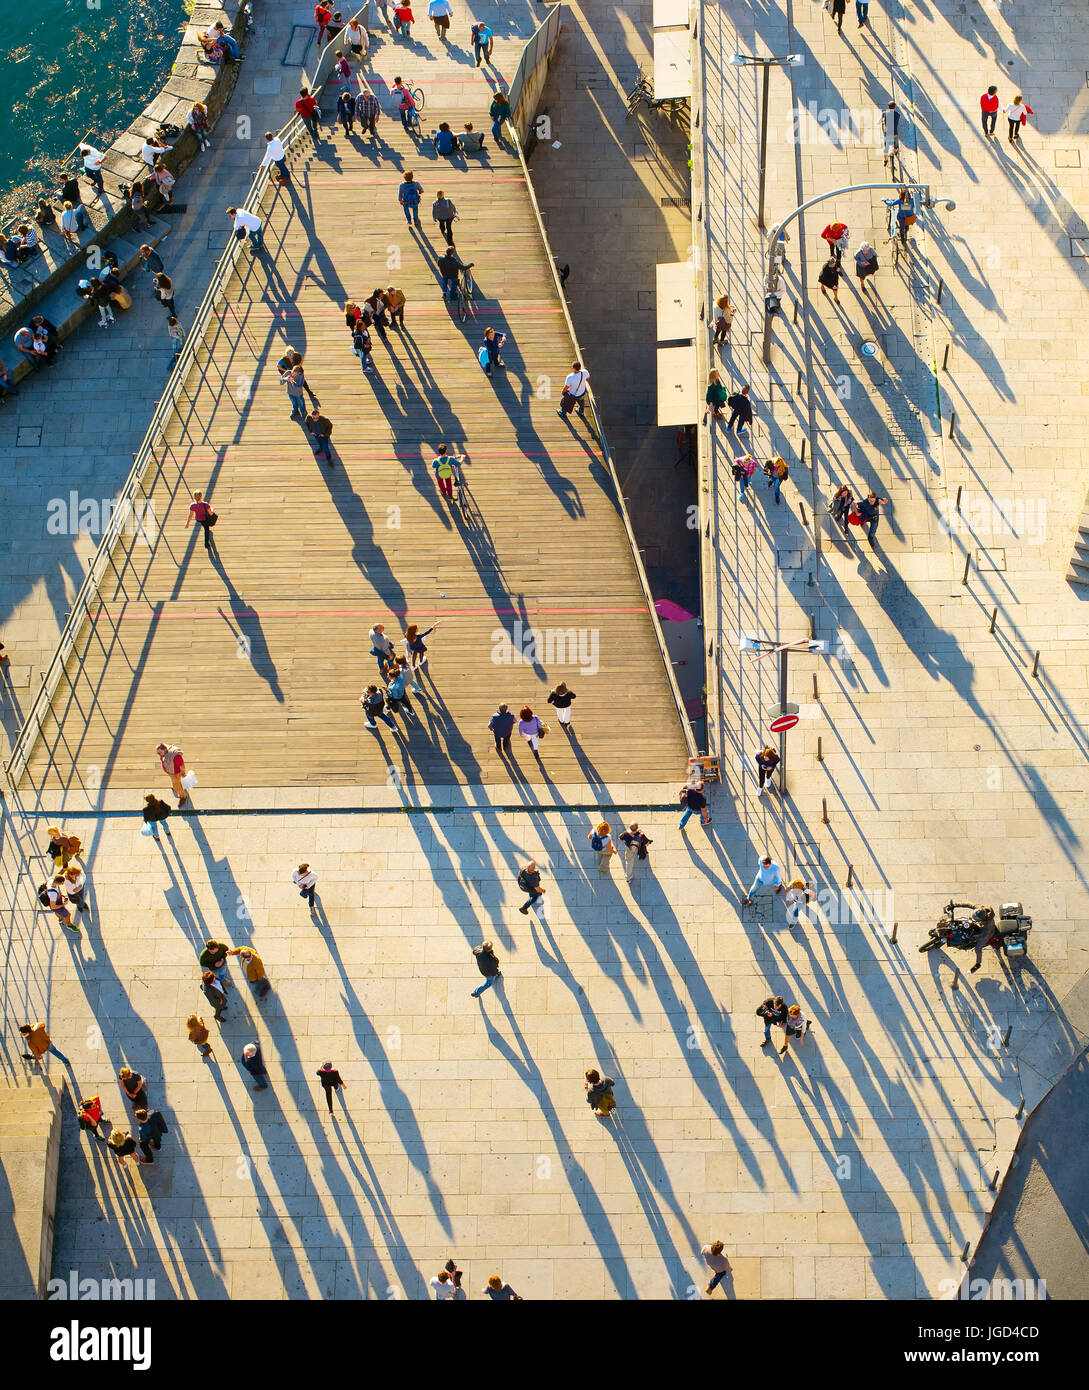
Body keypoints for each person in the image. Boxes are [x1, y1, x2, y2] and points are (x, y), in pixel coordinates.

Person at [882, 101, 900, 168]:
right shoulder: (897, 114)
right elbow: (899, 117)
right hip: (894, 134)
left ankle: (885, 160)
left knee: (886, 148)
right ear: (895, 107)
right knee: (896, 146)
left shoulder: (885, 113)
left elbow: (881, 119)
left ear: (888, 107)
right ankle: (895, 152)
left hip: (887, 134)